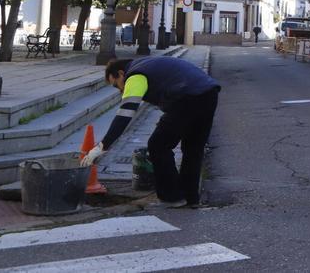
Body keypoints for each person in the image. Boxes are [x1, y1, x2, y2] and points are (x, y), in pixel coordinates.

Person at [80, 57, 221, 208]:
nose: (121, 91)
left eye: (117, 85)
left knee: (158, 145)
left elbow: (125, 114)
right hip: (208, 93)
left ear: (121, 74)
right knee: (193, 148)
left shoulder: (134, 76)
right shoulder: (146, 65)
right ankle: (190, 197)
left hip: (187, 97)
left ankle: (172, 197)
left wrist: (102, 146)